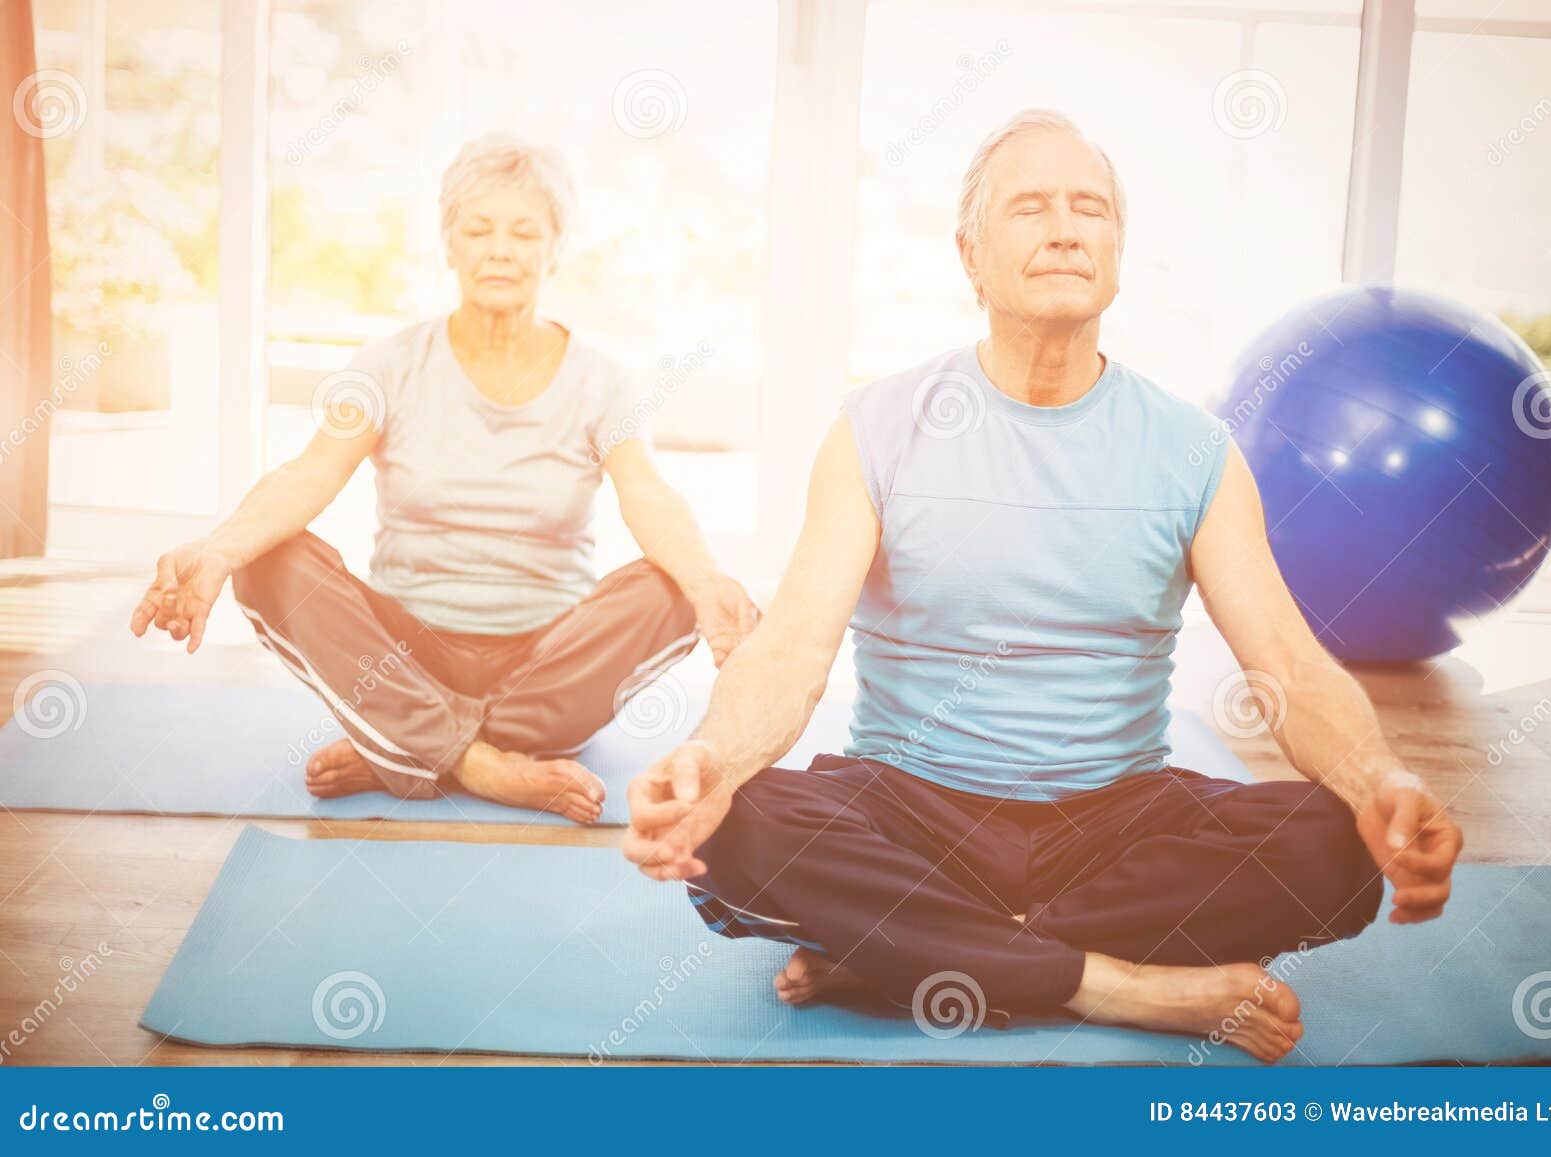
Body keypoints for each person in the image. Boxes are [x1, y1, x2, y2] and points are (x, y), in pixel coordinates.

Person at [622, 109, 1464, 1061]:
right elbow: (793, 649)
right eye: (1031, 207)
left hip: (1119, 819)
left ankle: (914, 959)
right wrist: (710, 759)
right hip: (909, 807)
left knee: (1337, 844)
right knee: (741, 830)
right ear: (970, 255)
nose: (1067, 227)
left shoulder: (1194, 449)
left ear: (1115, 249)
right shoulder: (878, 426)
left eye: (1089, 208)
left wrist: (1377, 777)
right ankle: (1117, 986)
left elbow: (1286, 663)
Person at [130, 136, 757, 823]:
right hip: (404, 655)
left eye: (524, 231)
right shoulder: (387, 365)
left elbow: (648, 493)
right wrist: (219, 550)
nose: (500, 249)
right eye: (478, 228)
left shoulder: (606, 381)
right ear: (448, 244)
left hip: (547, 664)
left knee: (671, 585)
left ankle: (400, 745)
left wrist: (707, 582)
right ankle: (482, 764)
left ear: (555, 247)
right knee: (267, 557)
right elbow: (312, 468)